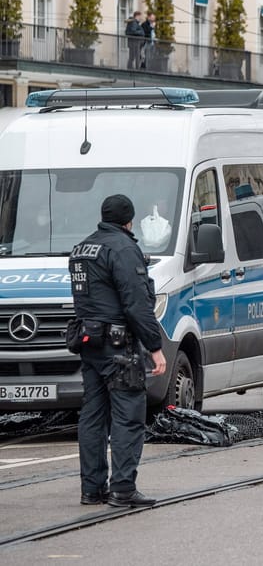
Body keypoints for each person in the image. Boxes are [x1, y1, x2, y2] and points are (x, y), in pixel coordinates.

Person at [69, 194, 168, 508]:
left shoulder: (82, 249)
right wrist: (155, 347)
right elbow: (136, 304)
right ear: (130, 220)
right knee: (128, 416)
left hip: (90, 344)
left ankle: (92, 489)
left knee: (93, 417)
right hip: (119, 348)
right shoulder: (124, 248)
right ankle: (123, 488)